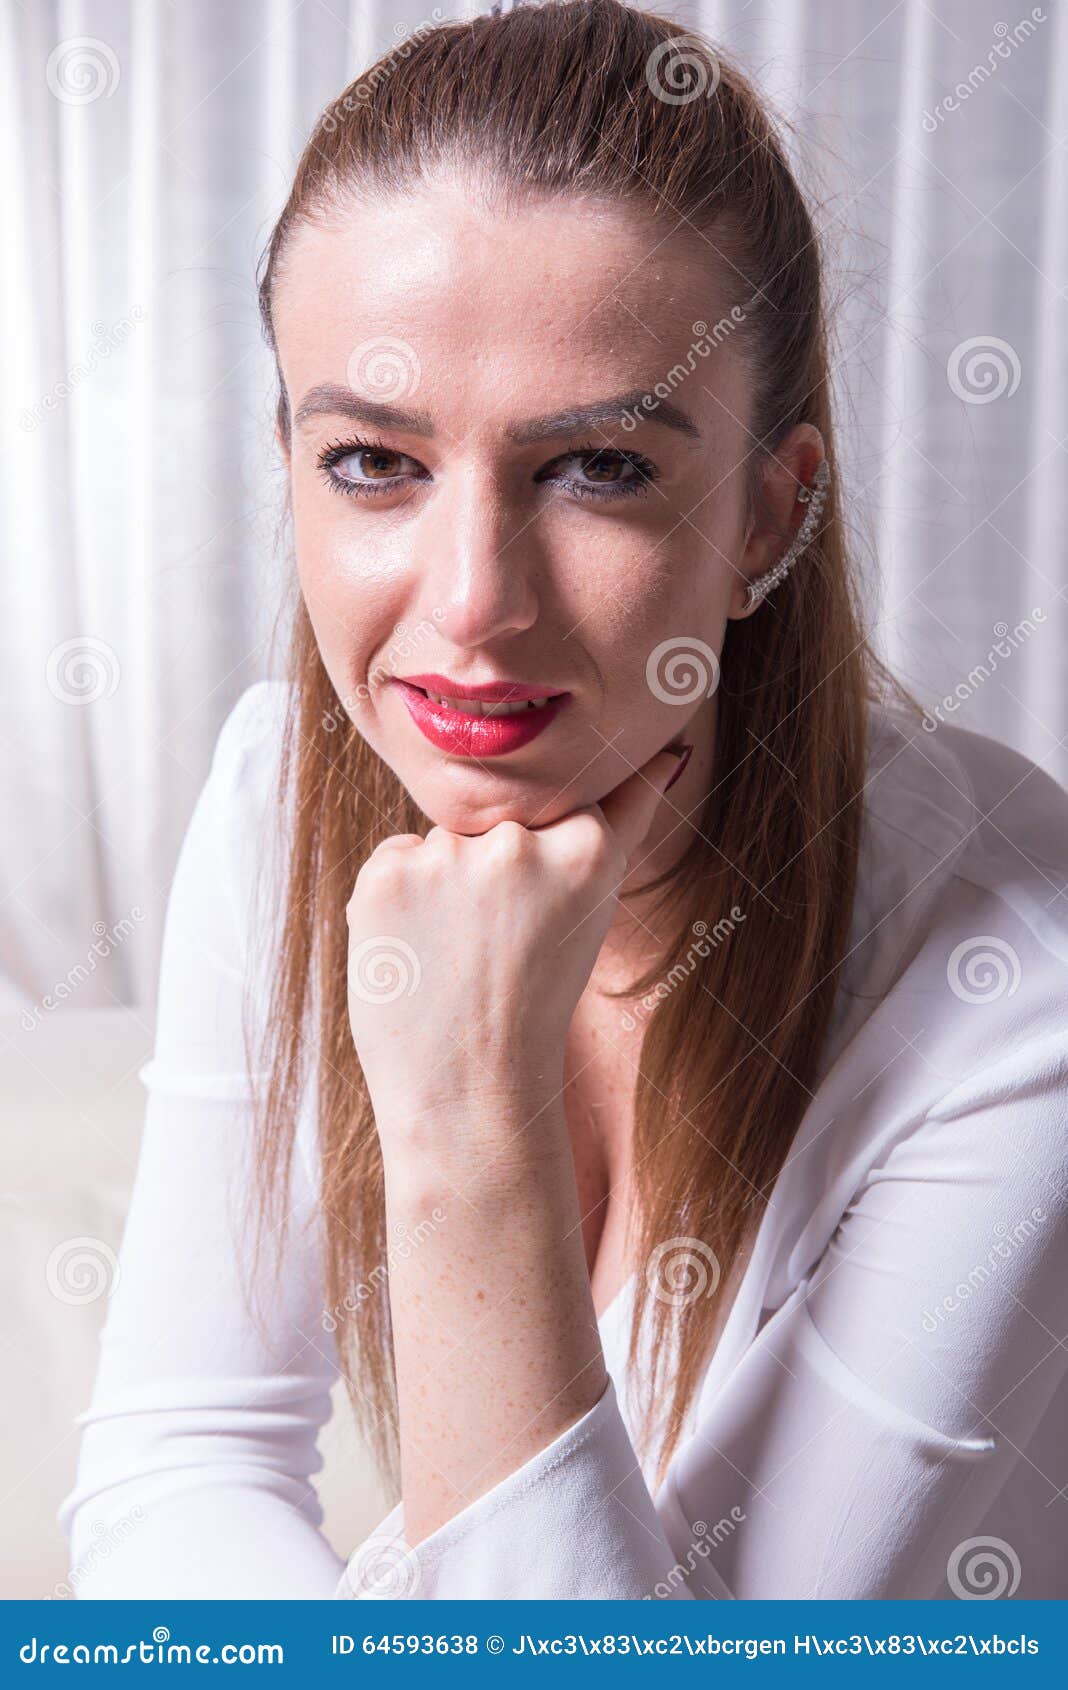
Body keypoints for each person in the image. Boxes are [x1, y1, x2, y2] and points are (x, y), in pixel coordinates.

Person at [59, 0, 1068, 1600]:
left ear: (765, 511)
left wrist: (475, 1137)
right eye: (375, 463)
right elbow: (181, 1456)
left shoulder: (1020, 991)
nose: (470, 605)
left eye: (596, 466)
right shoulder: (276, 794)